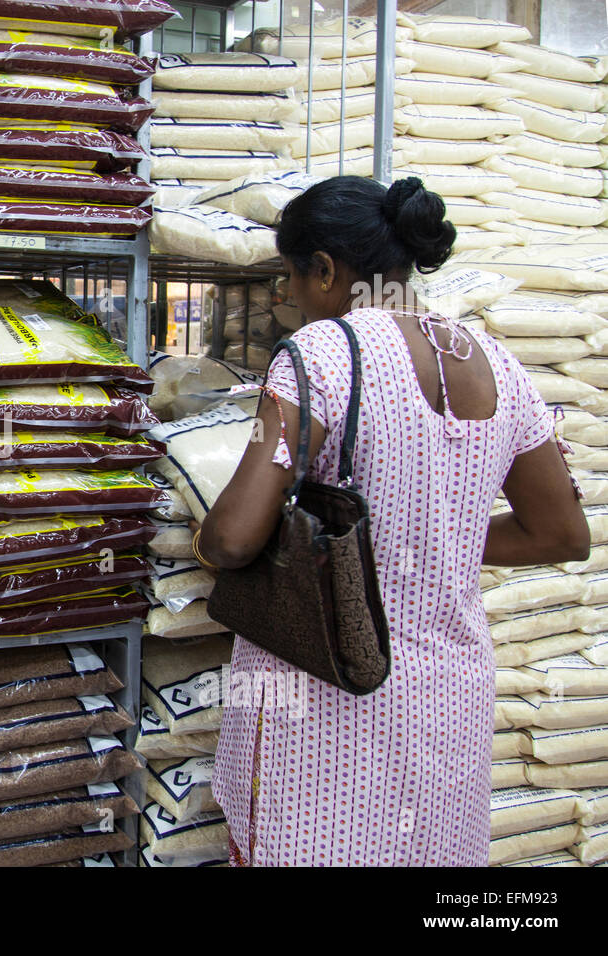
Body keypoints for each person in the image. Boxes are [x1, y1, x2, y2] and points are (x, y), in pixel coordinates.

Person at [196, 175, 591, 867]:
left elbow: (233, 538)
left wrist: (205, 536)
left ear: (326, 268)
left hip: (328, 701)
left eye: (291, 275)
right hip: (449, 700)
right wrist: (439, 540)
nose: (286, 296)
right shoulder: (498, 364)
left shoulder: (322, 354)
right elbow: (560, 533)